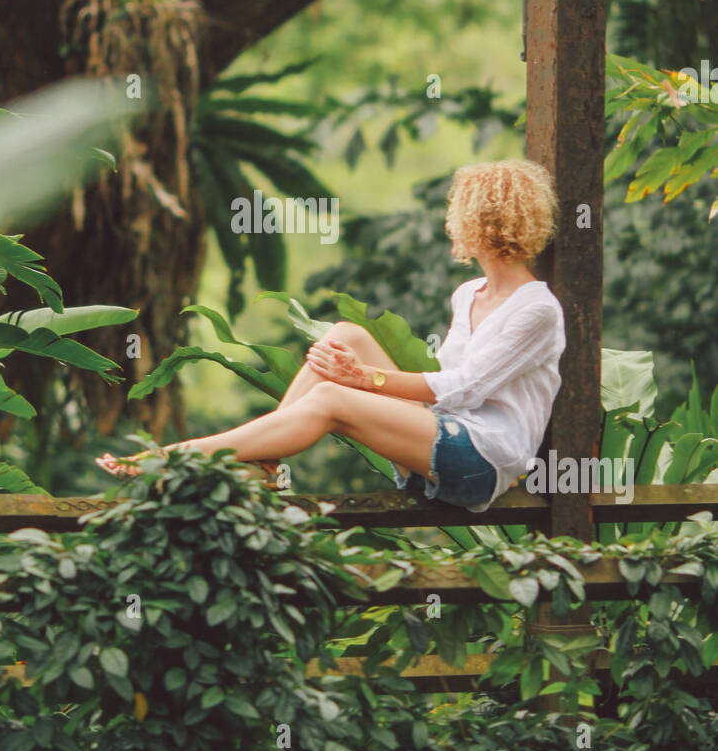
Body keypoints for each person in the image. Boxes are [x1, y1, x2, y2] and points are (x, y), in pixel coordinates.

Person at [96, 159, 567, 513]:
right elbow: (445, 388)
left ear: (476, 223)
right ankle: (266, 465)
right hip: (443, 434)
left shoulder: (538, 309)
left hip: (482, 460)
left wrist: (364, 380)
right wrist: (360, 370)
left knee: (330, 399)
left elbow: (464, 387)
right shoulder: (469, 295)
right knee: (345, 334)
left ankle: (176, 457)